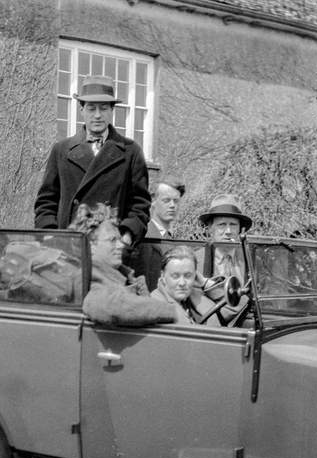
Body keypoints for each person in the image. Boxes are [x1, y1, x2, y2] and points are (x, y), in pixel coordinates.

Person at [34, 75, 150, 249]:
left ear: (112, 111)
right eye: (91, 108)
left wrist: (126, 237)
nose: (97, 115)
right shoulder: (62, 150)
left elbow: (140, 206)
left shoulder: (131, 151)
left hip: (110, 249)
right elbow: (46, 202)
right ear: (81, 110)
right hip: (68, 246)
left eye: (103, 108)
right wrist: (51, 236)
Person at [70, 204, 176, 327]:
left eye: (119, 240)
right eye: (112, 240)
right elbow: (108, 307)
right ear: (90, 245)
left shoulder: (119, 275)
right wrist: (172, 312)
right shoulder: (89, 278)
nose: (120, 245)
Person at [151, 245, 221, 326]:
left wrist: (205, 283)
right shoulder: (155, 305)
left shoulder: (196, 295)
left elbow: (234, 309)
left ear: (195, 275)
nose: (182, 283)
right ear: (163, 276)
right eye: (175, 276)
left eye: (188, 275)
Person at [196, 194, 252, 283]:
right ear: (210, 228)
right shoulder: (195, 260)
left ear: (240, 229)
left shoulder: (250, 259)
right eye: (222, 225)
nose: (228, 231)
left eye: (233, 225)